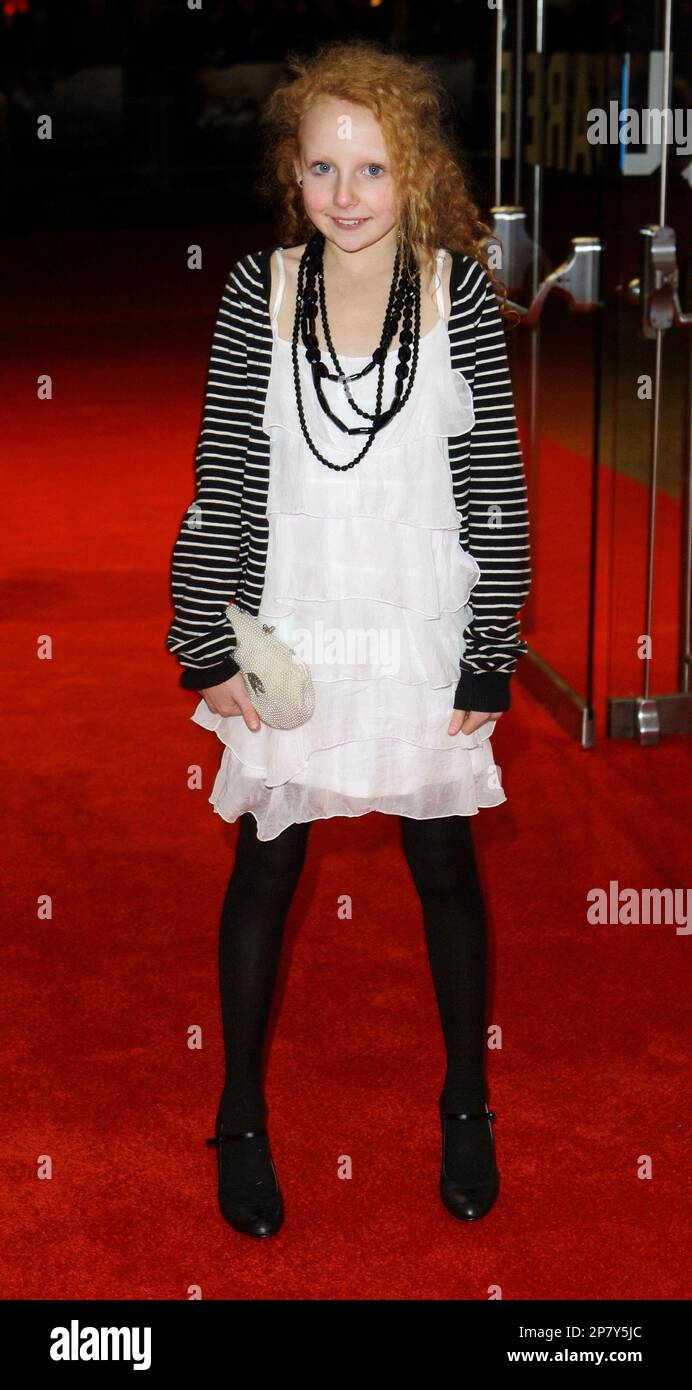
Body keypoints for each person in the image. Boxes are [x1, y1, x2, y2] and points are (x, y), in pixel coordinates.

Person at [166, 39, 531, 1239]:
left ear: (412, 172)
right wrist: (199, 641)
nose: (344, 191)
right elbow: (223, 472)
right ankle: (238, 1110)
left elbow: (489, 479)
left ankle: (465, 1100)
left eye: (369, 166)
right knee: (266, 860)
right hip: (296, 619)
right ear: (293, 174)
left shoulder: (455, 290)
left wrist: (490, 644)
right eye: (321, 165)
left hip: (418, 613)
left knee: (440, 857)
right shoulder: (254, 291)